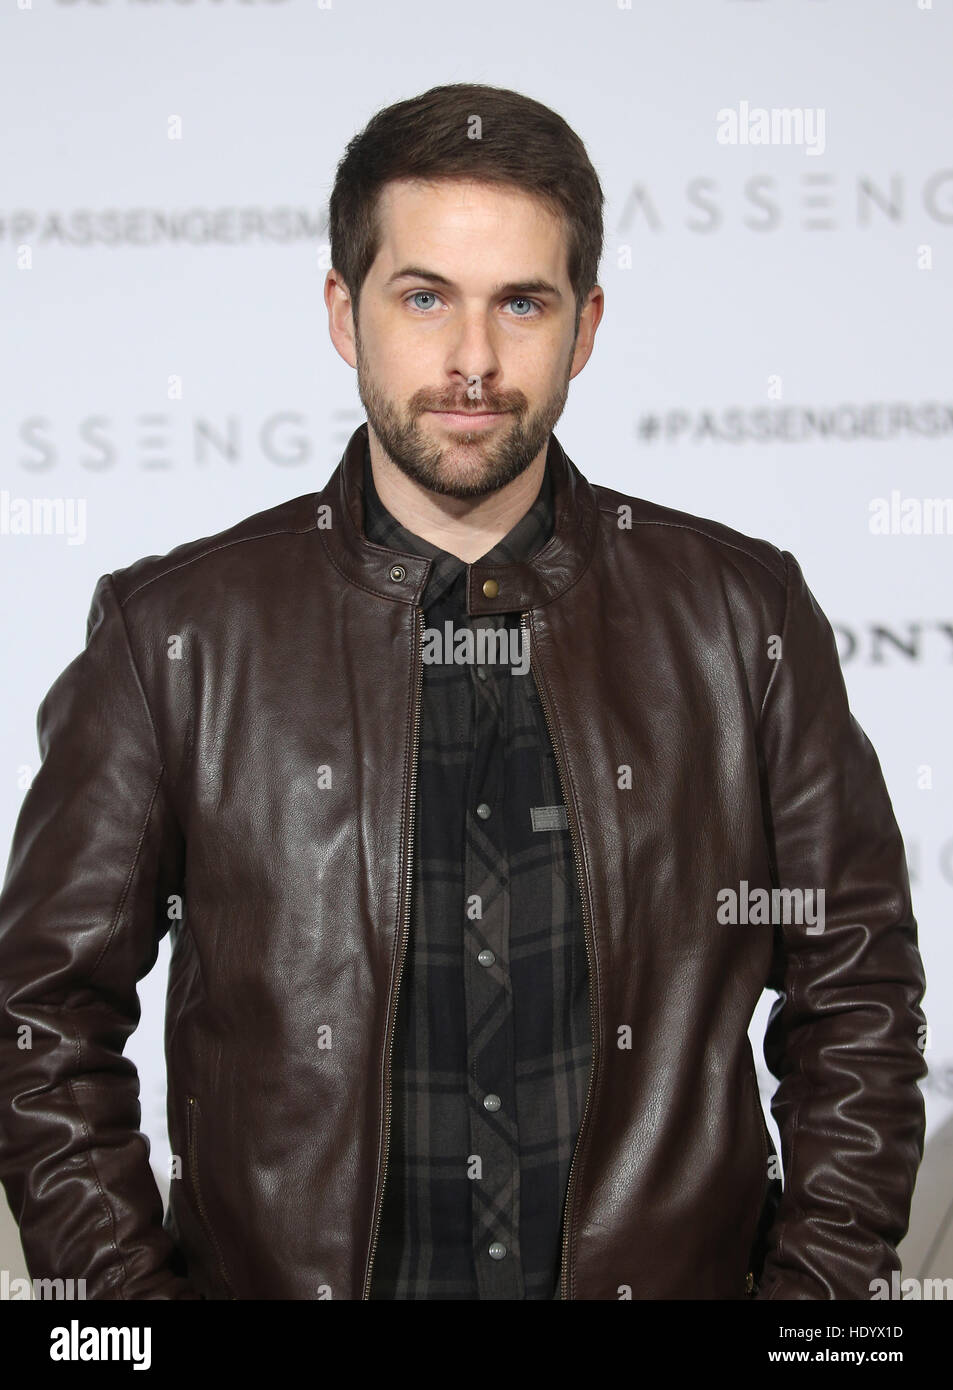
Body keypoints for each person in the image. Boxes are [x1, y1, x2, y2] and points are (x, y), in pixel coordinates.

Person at [0, 82, 927, 1301]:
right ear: (345, 312)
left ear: (584, 328)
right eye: (423, 296)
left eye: (521, 304)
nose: (472, 362)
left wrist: (810, 1314)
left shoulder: (739, 616)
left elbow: (854, 996)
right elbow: (41, 1023)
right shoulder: (175, 635)